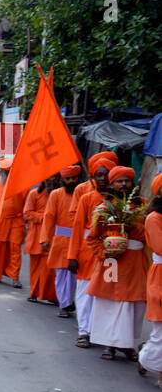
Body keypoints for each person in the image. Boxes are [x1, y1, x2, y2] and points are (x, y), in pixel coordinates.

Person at [84, 166, 147, 361]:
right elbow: (92, 238)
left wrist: (131, 226)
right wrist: (106, 253)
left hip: (136, 262)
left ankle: (126, 344)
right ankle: (109, 344)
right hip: (111, 261)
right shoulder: (103, 208)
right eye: (119, 181)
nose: (123, 185)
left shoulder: (143, 206)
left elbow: (149, 233)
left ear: (133, 184)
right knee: (109, 302)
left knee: (133, 305)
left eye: (127, 181)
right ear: (112, 184)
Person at [67, 154, 116, 348]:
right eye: (99, 175)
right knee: (85, 293)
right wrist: (72, 256)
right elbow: (77, 229)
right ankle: (84, 332)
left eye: (107, 175)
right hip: (87, 252)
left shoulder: (118, 199)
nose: (103, 179)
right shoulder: (87, 198)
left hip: (113, 253)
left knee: (108, 292)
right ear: (94, 177)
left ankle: (103, 333)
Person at [40, 165, 84, 317]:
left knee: (73, 274)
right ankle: (64, 305)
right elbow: (49, 217)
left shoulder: (84, 193)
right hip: (60, 240)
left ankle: (68, 301)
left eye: (73, 178)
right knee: (61, 274)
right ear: (62, 180)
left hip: (79, 240)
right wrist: (45, 238)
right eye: (67, 179)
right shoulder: (56, 195)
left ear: (78, 178)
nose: (71, 181)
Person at [138, 173, 162, 388]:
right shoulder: (153, 218)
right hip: (160, 276)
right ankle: (145, 358)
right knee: (161, 332)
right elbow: (160, 247)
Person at [0, 159, 26, 289]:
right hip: (0, 222)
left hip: (16, 221)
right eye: (4, 171)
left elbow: (27, 202)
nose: (6, 174)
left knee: (15, 249)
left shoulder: (21, 185)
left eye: (8, 171)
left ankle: (15, 277)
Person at [23, 178, 57, 305]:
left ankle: (51, 295)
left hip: (53, 234)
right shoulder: (34, 193)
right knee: (36, 267)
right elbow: (27, 212)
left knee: (51, 269)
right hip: (36, 234)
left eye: (54, 178)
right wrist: (43, 218)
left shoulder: (59, 194)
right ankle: (34, 293)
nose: (51, 181)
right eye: (49, 178)